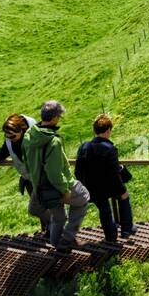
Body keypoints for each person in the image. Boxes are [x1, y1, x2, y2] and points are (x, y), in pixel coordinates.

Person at [23, 100, 91, 254]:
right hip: (56, 184)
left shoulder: (29, 135)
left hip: (40, 186)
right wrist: (65, 190)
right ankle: (67, 239)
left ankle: (56, 245)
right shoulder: (53, 141)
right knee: (84, 198)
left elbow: (26, 161)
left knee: (58, 216)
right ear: (54, 118)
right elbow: (54, 172)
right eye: (59, 116)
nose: (59, 119)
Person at [0, 112, 48, 232]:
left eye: (12, 136)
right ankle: (48, 231)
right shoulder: (11, 137)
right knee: (39, 209)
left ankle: (58, 231)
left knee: (44, 207)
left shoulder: (37, 136)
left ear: (23, 130)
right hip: (30, 179)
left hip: (45, 179)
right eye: (7, 136)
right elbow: (5, 150)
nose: (10, 139)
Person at [74, 115, 133, 245]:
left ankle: (111, 237)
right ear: (107, 131)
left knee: (105, 210)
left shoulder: (83, 147)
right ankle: (126, 229)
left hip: (89, 188)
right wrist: (122, 190)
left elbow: (77, 171)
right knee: (124, 196)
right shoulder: (109, 148)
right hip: (106, 187)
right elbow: (114, 173)